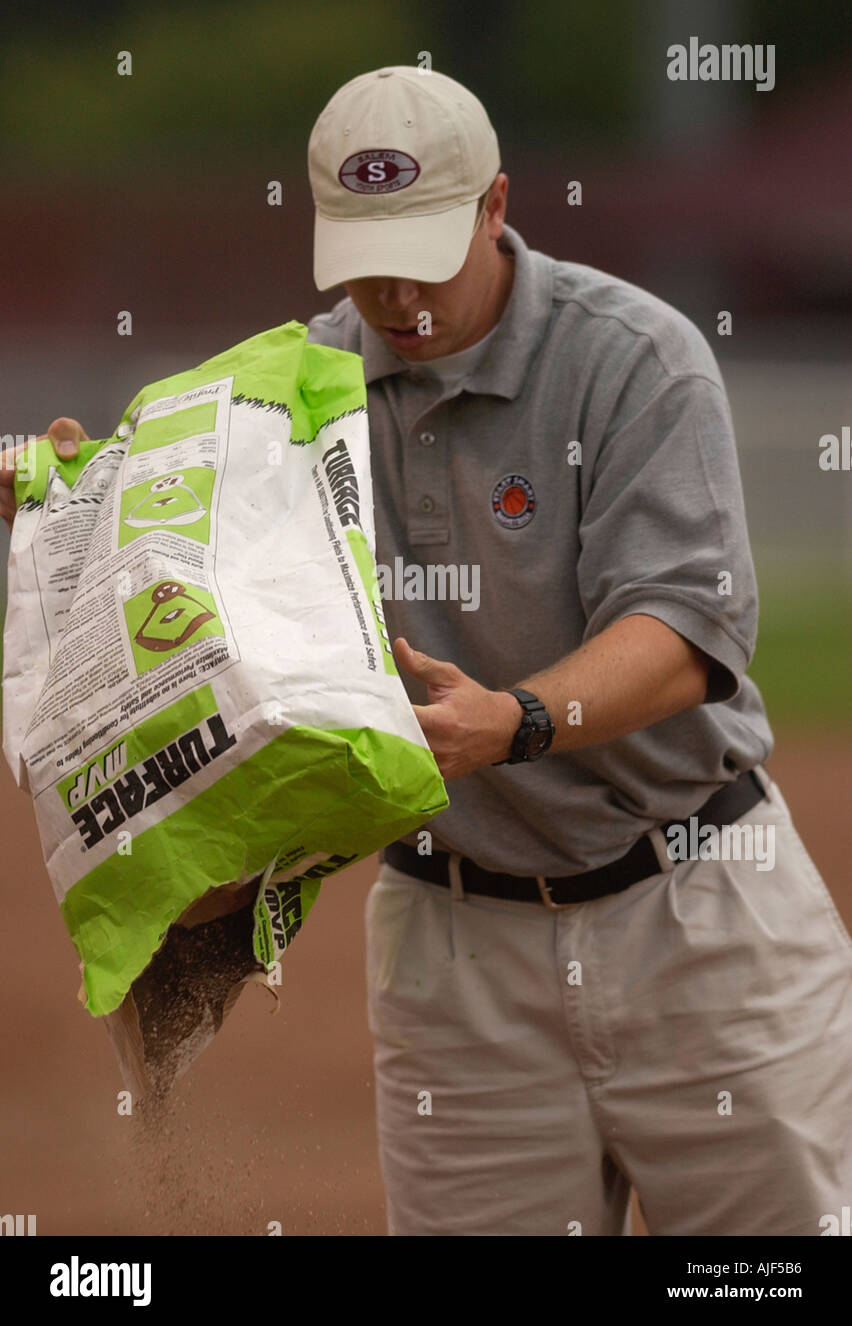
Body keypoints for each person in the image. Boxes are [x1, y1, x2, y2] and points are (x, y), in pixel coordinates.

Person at [3, 66, 850, 1237]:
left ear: (496, 207)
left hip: (695, 914)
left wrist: (517, 721)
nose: (394, 290)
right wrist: (77, 503)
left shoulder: (633, 361)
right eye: (363, 252)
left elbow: (690, 632)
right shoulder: (292, 395)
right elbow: (192, 555)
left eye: (426, 248)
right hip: (455, 950)